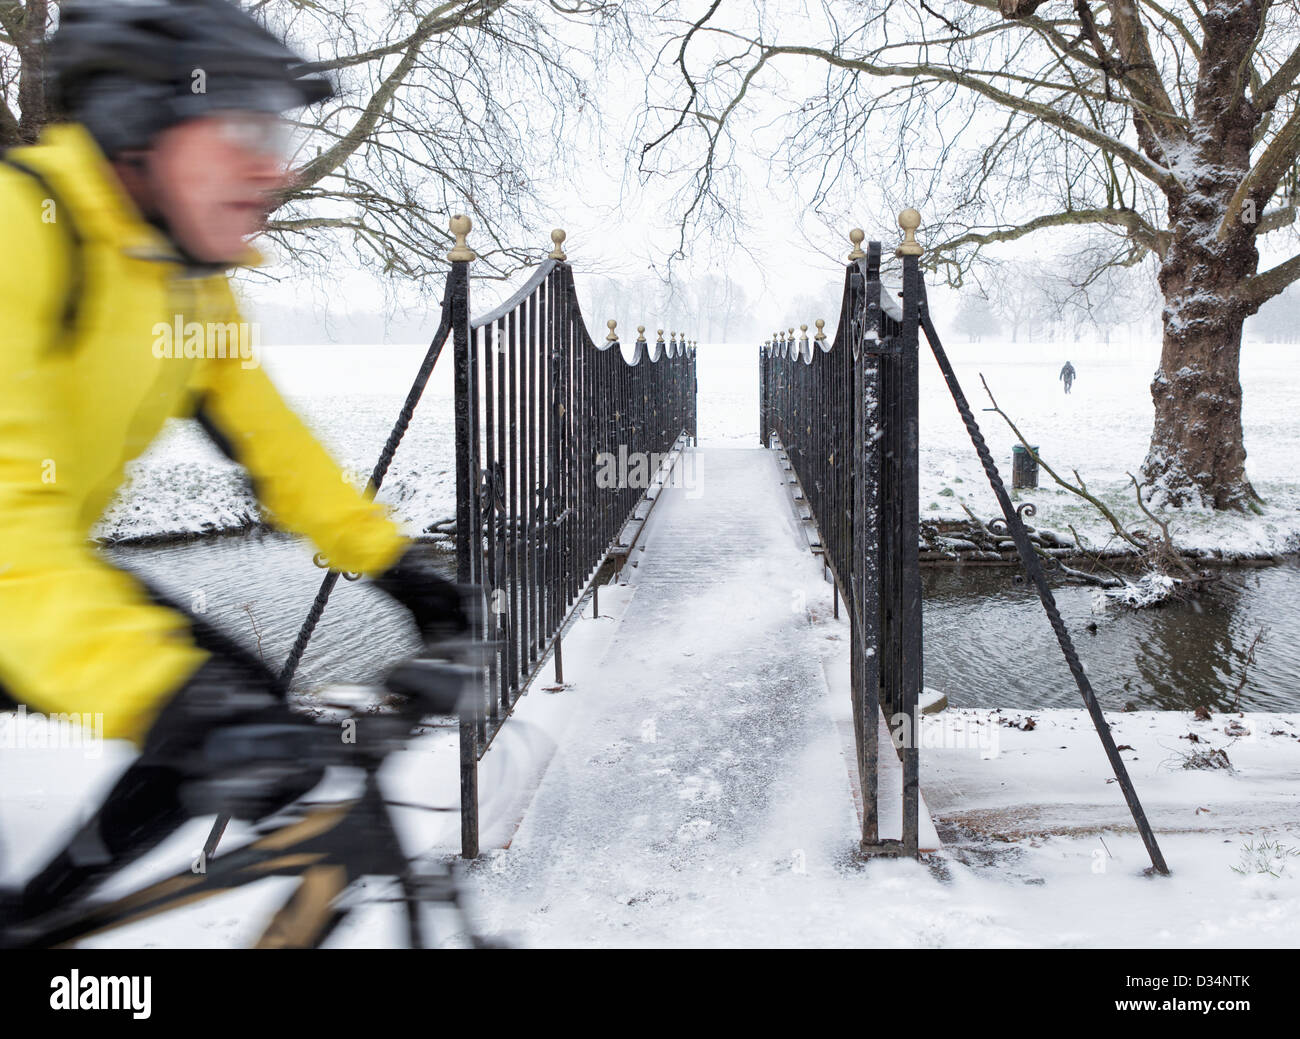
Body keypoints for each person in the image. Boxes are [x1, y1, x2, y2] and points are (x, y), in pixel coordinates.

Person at [0, 0, 468, 926]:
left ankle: (39, 922)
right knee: (193, 709)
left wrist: (401, 571)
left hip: (29, 579)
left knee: (237, 706)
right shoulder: (23, 229)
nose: (278, 166)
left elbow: (272, 443)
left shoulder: (186, 284)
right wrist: (157, 691)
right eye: (244, 129)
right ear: (139, 129)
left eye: (279, 132)